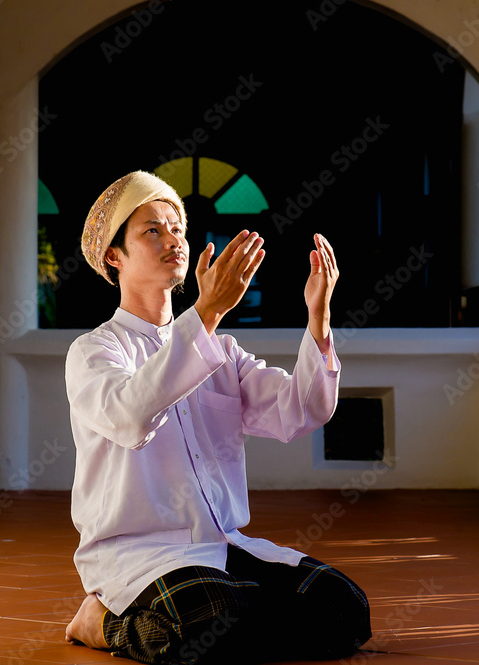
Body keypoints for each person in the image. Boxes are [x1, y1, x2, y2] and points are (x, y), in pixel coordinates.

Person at [63, 170, 370, 664]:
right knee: (217, 629)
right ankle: (103, 622)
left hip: (222, 545)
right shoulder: (94, 352)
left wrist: (319, 317)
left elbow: (301, 410)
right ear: (113, 257)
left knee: (345, 610)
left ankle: (242, 619)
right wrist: (206, 313)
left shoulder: (222, 352)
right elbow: (130, 415)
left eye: (177, 228)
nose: (173, 241)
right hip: (140, 554)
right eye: (152, 231)